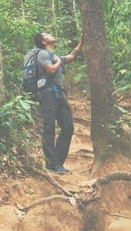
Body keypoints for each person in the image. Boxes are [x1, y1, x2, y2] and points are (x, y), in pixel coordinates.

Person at [34, 30, 84, 174]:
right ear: (44, 42)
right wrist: (58, 62)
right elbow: (50, 70)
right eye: (47, 35)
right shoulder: (43, 53)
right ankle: (52, 164)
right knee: (49, 128)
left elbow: (71, 57)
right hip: (47, 94)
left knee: (68, 127)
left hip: (59, 95)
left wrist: (81, 43)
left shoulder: (54, 55)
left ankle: (56, 162)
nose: (50, 35)